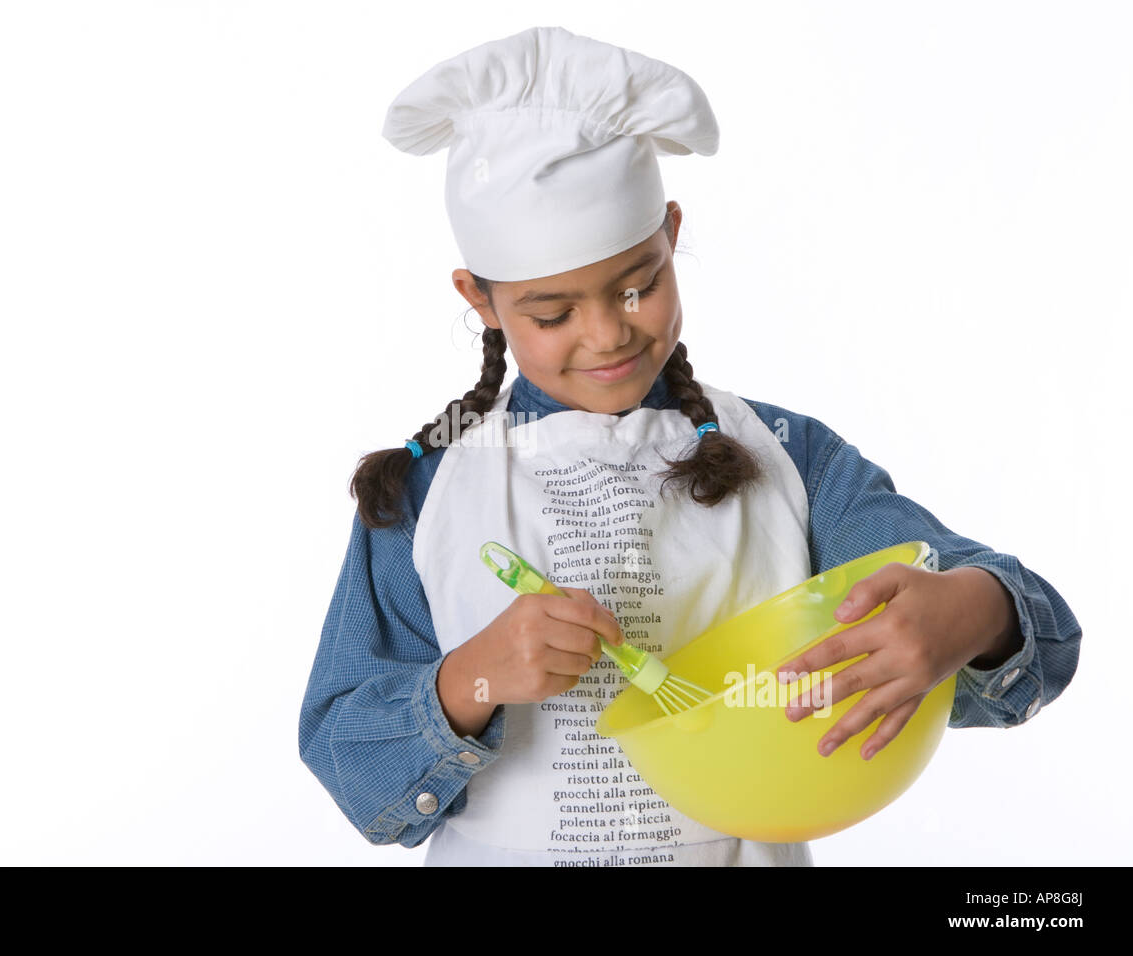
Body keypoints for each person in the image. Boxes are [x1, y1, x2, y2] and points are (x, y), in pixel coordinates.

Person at [298, 26, 1082, 866]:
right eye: (552, 313)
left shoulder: (788, 456)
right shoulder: (427, 493)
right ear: (480, 300)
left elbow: (1036, 637)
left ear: (673, 233)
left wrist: (975, 610)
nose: (606, 335)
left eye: (639, 284)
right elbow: (349, 764)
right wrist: (470, 682)